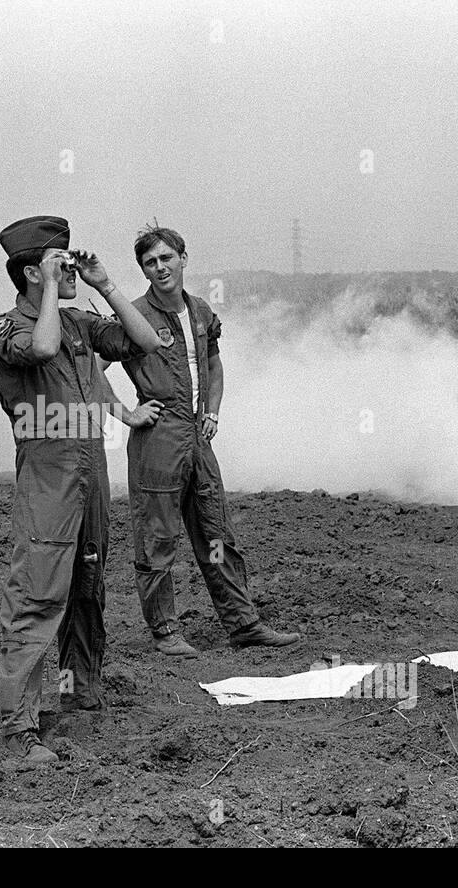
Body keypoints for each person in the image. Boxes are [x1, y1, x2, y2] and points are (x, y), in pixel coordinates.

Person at [0, 215, 162, 763]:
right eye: (59, 263)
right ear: (32, 273)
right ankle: (19, 725)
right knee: (38, 594)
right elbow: (40, 350)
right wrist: (51, 292)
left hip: (89, 471)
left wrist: (106, 283)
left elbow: (146, 341)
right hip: (47, 476)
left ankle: (81, 689)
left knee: (87, 583)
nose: (71, 270)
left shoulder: (80, 323)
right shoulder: (4, 328)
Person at [118, 224, 301, 657]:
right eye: (150, 262)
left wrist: (213, 411)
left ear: (184, 258)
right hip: (158, 439)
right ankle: (165, 632)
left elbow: (214, 365)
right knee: (158, 539)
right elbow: (92, 368)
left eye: (166, 258)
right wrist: (127, 414)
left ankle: (244, 625)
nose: (160, 267)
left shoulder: (200, 311)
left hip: (198, 437)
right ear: (143, 270)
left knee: (217, 534)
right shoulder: (133, 316)